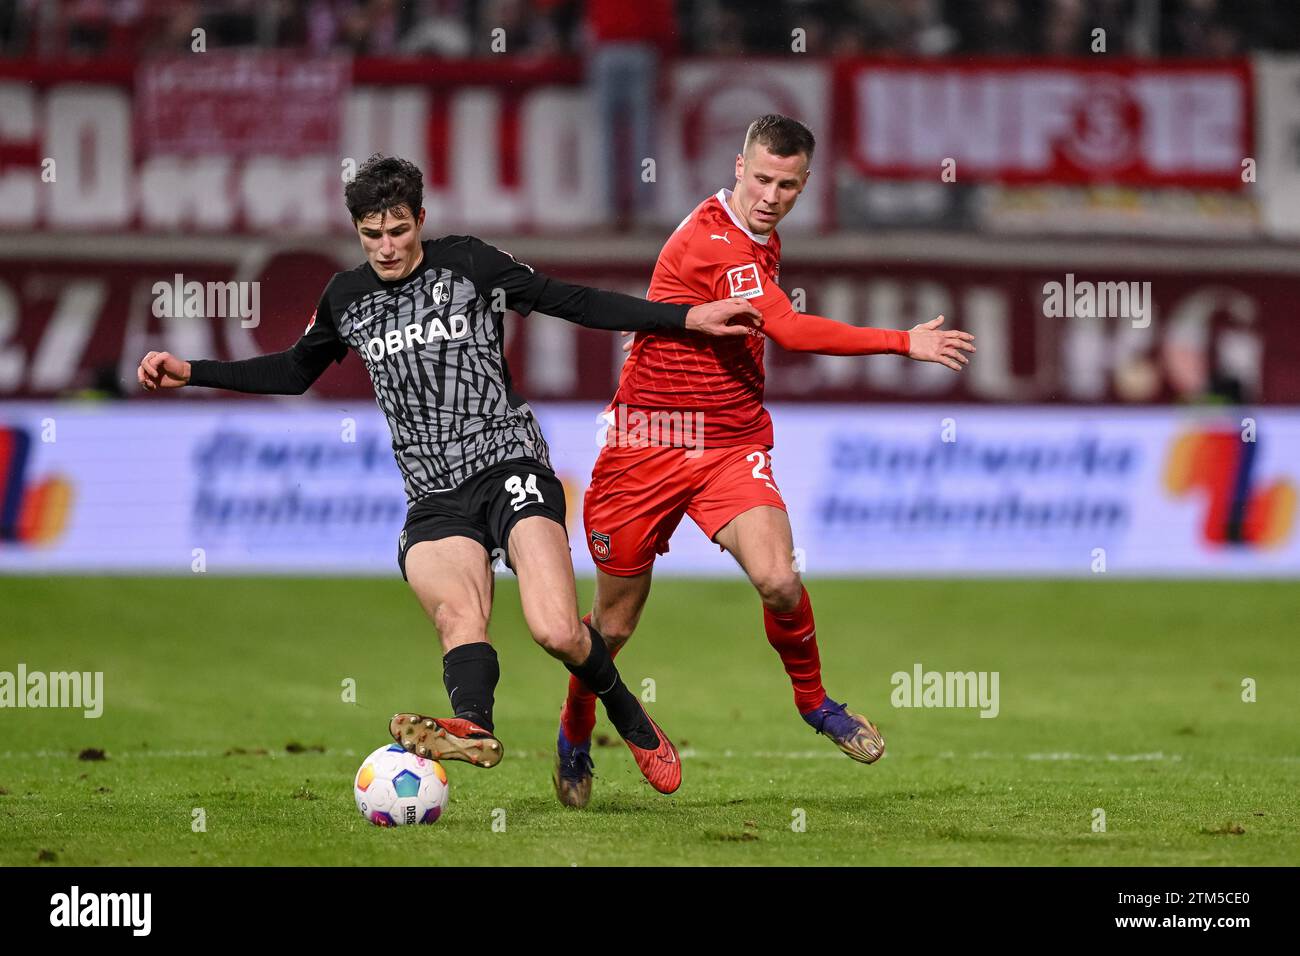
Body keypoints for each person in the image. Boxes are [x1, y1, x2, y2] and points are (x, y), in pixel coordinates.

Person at [136, 154, 763, 796]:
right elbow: (294, 373)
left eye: (398, 230)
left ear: (420, 221)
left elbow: (567, 300)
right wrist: (194, 372)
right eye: (372, 234)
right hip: (433, 495)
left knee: (555, 629)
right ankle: (471, 728)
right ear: (357, 231)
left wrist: (686, 317)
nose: (386, 246)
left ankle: (629, 717)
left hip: (508, 464)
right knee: (456, 619)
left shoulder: (468, 263)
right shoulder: (345, 297)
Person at [553, 116, 976, 807]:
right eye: (761, 179)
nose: (771, 195)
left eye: (787, 184)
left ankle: (814, 704)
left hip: (728, 441)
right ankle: (575, 729)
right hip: (647, 444)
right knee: (615, 626)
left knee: (779, 579)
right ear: (737, 167)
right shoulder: (716, 240)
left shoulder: (758, 234)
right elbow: (790, 328)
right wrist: (902, 341)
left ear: (804, 184)